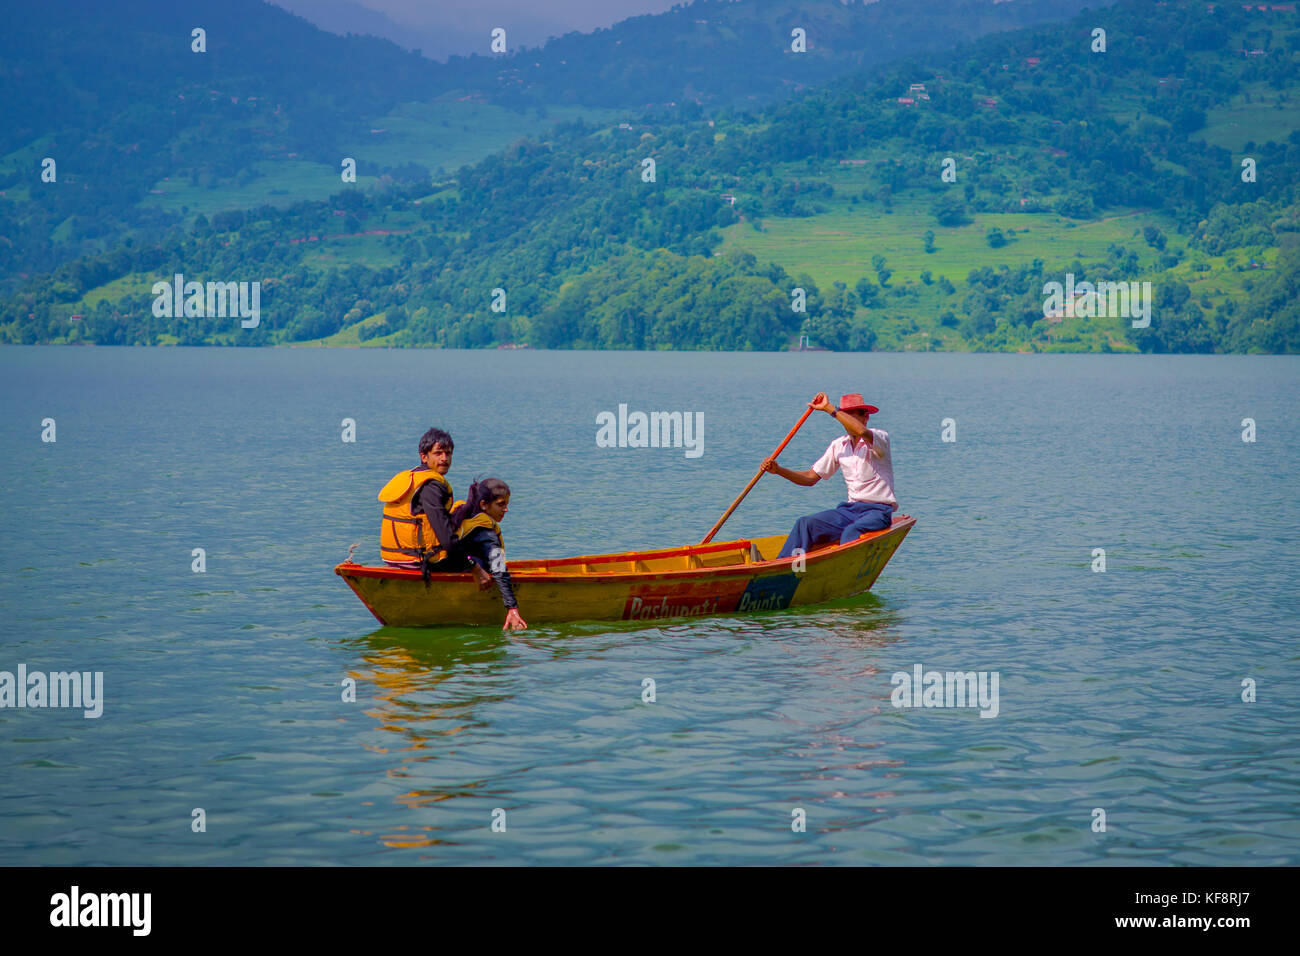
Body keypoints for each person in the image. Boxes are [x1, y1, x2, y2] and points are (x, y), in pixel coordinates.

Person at [761, 392, 897, 560]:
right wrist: (779, 470)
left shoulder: (879, 437)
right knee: (805, 524)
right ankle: (784, 565)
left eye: (855, 415)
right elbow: (810, 478)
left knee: (852, 532)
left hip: (877, 511)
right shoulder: (838, 445)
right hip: (850, 510)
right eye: (846, 415)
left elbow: (861, 430)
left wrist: (829, 408)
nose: (849, 420)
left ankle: (841, 570)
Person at [378, 427, 492, 590]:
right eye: (438, 453)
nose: (444, 458)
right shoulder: (432, 486)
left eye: (448, 453)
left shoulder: (411, 478)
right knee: (480, 557)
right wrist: (474, 566)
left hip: (394, 559)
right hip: (419, 562)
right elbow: (446, 538)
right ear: (424, 456)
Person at [449, 478, 527, 632]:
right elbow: (499, 568)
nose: (506, 510)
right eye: (500, 504)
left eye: (506, 504)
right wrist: (512, 608)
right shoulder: (485, 531)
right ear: (483, 505)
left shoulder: (464, 514)